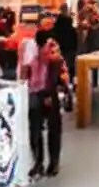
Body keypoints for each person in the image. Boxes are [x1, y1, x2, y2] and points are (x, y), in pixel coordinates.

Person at [20, 21, 69, 178]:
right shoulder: (33, 54)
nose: (49, 49)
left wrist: (52, 94)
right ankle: (38, 162)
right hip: (35, 93)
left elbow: (59, 78)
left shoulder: (55, 57)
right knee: (35, 130)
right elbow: (25, 73)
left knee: (53, 130)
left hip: (51, 94)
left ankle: (53, 163)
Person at [52, 3, 78, 87]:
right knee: (70, 70)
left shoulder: (56, 25)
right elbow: (75, 39)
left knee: (61, 71)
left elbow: (54, 37)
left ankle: (61, 87)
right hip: (70, 50)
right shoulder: (70, 25)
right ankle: (71, 87)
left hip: (60, 50)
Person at [0, 7, 19, 79]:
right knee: (8, 63)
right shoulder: (5, 23)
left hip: (5, 47)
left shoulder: (2, 23)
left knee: (6, 63)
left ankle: (8, 76)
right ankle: (8, 75)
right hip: (7, 46)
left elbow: (4, 35)